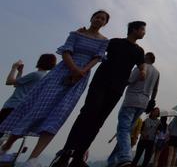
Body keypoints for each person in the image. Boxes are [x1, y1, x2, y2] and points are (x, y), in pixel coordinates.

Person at [0, 11, 110, 167]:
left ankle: (33, 158)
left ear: (105, 23)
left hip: (79, 80)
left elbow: (97, 58)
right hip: (61, 73)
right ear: (91, 18)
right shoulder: (75, 34)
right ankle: (7, 145)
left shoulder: (104, 41)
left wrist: (82, 71)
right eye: (97, 17)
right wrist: (74, 69)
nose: (99, 20)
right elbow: (66, 51)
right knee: (37, 107)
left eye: (102, 19)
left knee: (58, 114)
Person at [51, 21, 147, 167]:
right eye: (142, 30)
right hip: (100, 82)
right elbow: (96, 48)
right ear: (134, 30)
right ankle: (66, 152)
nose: (144, 33)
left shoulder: (139, 51)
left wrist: (143, 70)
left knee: (99, 121)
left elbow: (141, 65)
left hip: (117, 88)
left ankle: (78, 157)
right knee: (88, 113)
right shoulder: (114, 42)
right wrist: (82, 34)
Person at [108, 52, 160, 167]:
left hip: (131, 100)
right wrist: (152, 101)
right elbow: (155, 89)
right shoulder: (157, 73)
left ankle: (126, 158)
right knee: (125, 132)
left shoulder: (141, 67)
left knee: (123, 129)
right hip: (143, 103)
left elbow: (129, 81)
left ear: (147, 58)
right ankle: (112, 161)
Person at [0, 54, 57, 125]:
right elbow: (17, 84)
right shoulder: (45, 77)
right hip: (23, 108)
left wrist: (14, 67)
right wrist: (20, 72)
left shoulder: (35, 75)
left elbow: (9, 82)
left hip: (12, 105)